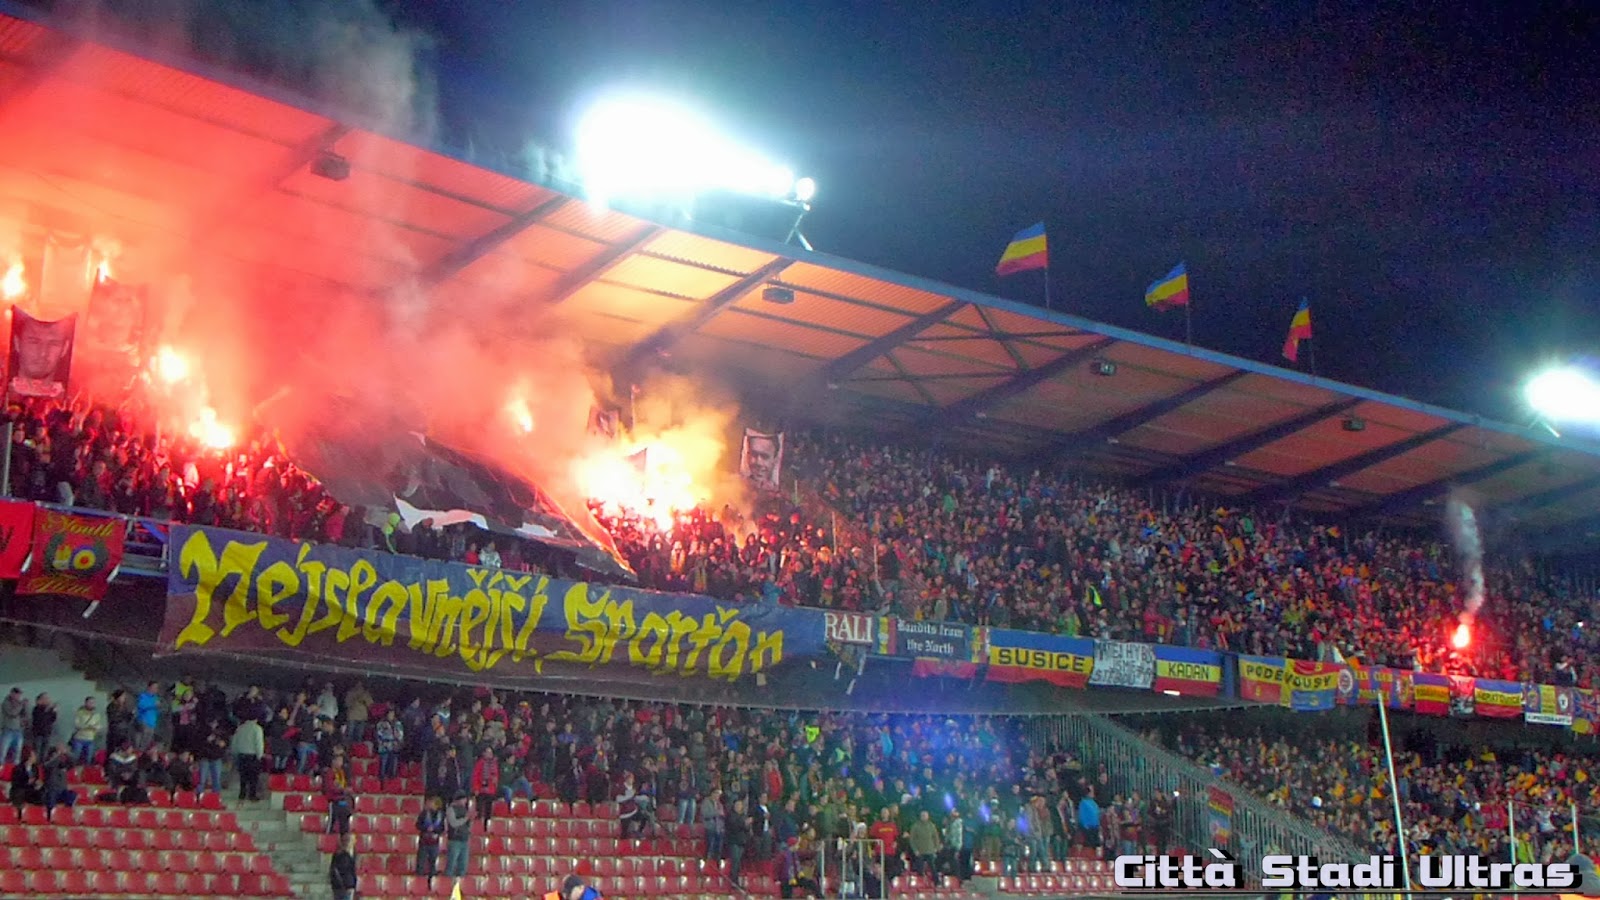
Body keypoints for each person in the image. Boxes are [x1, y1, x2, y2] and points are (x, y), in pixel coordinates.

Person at [9, 311, 73, 398]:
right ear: (17, 343)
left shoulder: (67, 400)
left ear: (64, 348)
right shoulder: (5, 394)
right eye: (34, 342)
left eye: (53, 344)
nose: (43, 353)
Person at [233, 713, 265, 802]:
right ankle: (252, 795)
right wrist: (260, 755)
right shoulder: (257, 729)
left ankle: (242, 794)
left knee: (243, 777)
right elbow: (259, 743)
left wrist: (235, 753)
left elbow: (234, 743)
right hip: (252, 756)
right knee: (253, 778)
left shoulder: (240, 728)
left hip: (241, 755)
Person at [416, 795, 446, 885]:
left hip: (434, 842)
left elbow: (442, 828)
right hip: (424, 842)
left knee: (433, 862)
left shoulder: (441, 815)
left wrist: (435, 830)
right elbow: (418, 825)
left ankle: (432, 882)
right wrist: (426, 828)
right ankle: (419, 881)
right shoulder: (424, 813)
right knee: (421, 862)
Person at [444, 792, 473, 878]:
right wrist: (466, 818)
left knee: (463, 864)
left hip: (464, 839)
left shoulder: (464, 809)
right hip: (454, 840)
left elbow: (467, 825)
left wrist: (469, 820)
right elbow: (453, 823)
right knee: (451, 863)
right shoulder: (450, 809)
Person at [69, 696, 102, 767]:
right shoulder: (79, 712)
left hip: (90, 739)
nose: (92, 704)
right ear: (86, 703)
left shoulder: (97, 714)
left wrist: (95, 727)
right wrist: (87, 726)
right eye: (90, 702)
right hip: (79, 738)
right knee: (75, 758)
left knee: (88, 759)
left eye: (93, 703)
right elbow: (76, 724)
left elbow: (99, 726)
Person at [328, 832, 358, 900]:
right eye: (345, 840)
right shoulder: (339, 855)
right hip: (340, 886)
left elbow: (353, 870)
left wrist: (353, 884)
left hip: (348, 885)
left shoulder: (352, 854)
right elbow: (334, 870)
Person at [2, 687, 27, 765]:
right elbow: (12, 713)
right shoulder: (6, 703)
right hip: (8, 730)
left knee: (17, 752)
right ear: (12, 693)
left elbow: (23, 714)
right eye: (17, 694)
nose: (19, 696)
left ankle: (15, 770)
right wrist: (21, 705)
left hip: (18, 730)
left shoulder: (19, 703)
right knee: (3, 751)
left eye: (20, 694)